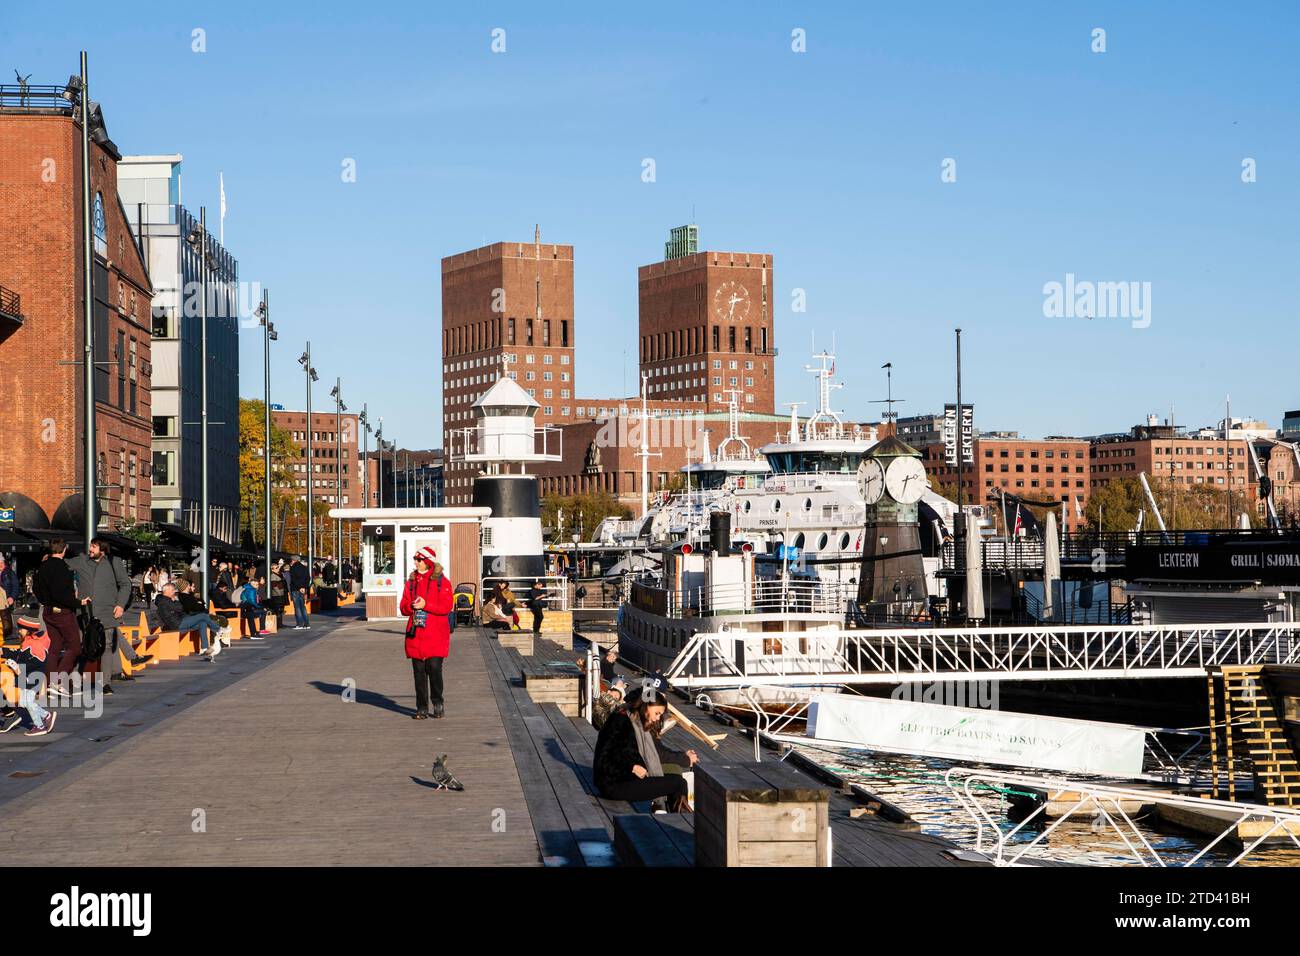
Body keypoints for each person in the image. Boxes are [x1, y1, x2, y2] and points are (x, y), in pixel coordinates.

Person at [592, 682, 697, 811]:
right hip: (614, 784)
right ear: (646, 706)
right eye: (657, 713)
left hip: (623, 780)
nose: (658, 718)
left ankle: (668, 815)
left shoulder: (637, 720)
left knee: (675, 776)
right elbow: (604, 759)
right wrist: (631, 767)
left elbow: (656, 749)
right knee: (678, 783)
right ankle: (680, 822)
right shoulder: (621, 722)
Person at [70, 537, 152, 690]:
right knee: (82, 645)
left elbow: (125, 584)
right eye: (90, 546)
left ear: (102, 549)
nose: (90, 550)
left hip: (108, 611)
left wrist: (120, 605)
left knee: (107, 647)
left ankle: (105, 683)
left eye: (93, 547)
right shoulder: (82, 560)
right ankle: (74, 679)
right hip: (85, 612)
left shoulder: (114, 562)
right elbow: (61, 566)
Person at [398, 547, 454, 719]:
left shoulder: (442, 582)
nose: (415, 562)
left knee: (435, 669)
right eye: (415, 559)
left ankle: (438, 702)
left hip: (436, 634)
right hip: (416, 633)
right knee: (419, 673)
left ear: (428, 561)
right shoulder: (411, 582)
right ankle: (421, 708)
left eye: (419, 559)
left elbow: (446, 607)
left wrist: (425, 605)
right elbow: (403, 607)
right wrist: (411, 606)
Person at [33, 539, 83, 695]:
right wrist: (79, 602)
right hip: (62, 611)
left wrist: (44, 601)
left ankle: (50, 682)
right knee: (75, 646)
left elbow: (36, 588)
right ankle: (58, 682)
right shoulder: (63, 567)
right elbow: (62, 594)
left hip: (47, 610)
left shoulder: (43, 566)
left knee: (55, 647)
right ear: (65, 549)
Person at [1, 616, 57, 736]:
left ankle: (39, 726)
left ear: (28, 630)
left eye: (21, 629)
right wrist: (4, 652)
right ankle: (46, 715)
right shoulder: (29, 642)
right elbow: (20, 655)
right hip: (29, 676)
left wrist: (16, 667)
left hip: (32, 677)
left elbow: (31, 661)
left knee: (28, 702)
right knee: (23, 702)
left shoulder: (34, 646)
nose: (18, 631)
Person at [0, 553, 20, 641]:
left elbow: (16, 586)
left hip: (6, 600)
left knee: (5, 619)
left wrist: (12, 597)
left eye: (1, 562)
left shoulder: (9, 572)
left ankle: (6, 637)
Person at [288, 554, 310, 629]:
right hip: (303, 590)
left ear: (293, 560)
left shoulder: (293, 568)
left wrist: (299, 587)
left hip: (295, 589)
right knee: (303, 606)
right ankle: (306, 624)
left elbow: (293, 579)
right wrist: (304, 587)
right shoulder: (305, 567)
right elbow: (308, 578)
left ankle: (299, 624)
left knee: (297, 607)